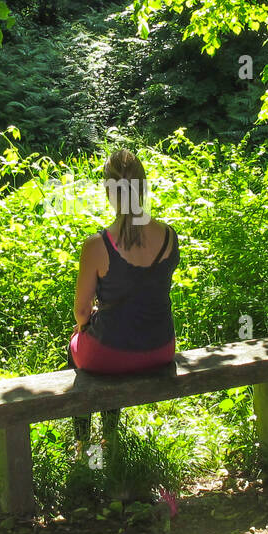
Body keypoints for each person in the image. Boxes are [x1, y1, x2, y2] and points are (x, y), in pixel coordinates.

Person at [69, 148, 179, 376]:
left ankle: (85, 411)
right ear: (142, 186)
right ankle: (110, 413)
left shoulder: (96, 245)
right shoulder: (169, 236)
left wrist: (83, 327)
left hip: (107, 355)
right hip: (161, 350)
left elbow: (81, 312)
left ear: (109, 191)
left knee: (75, 339)